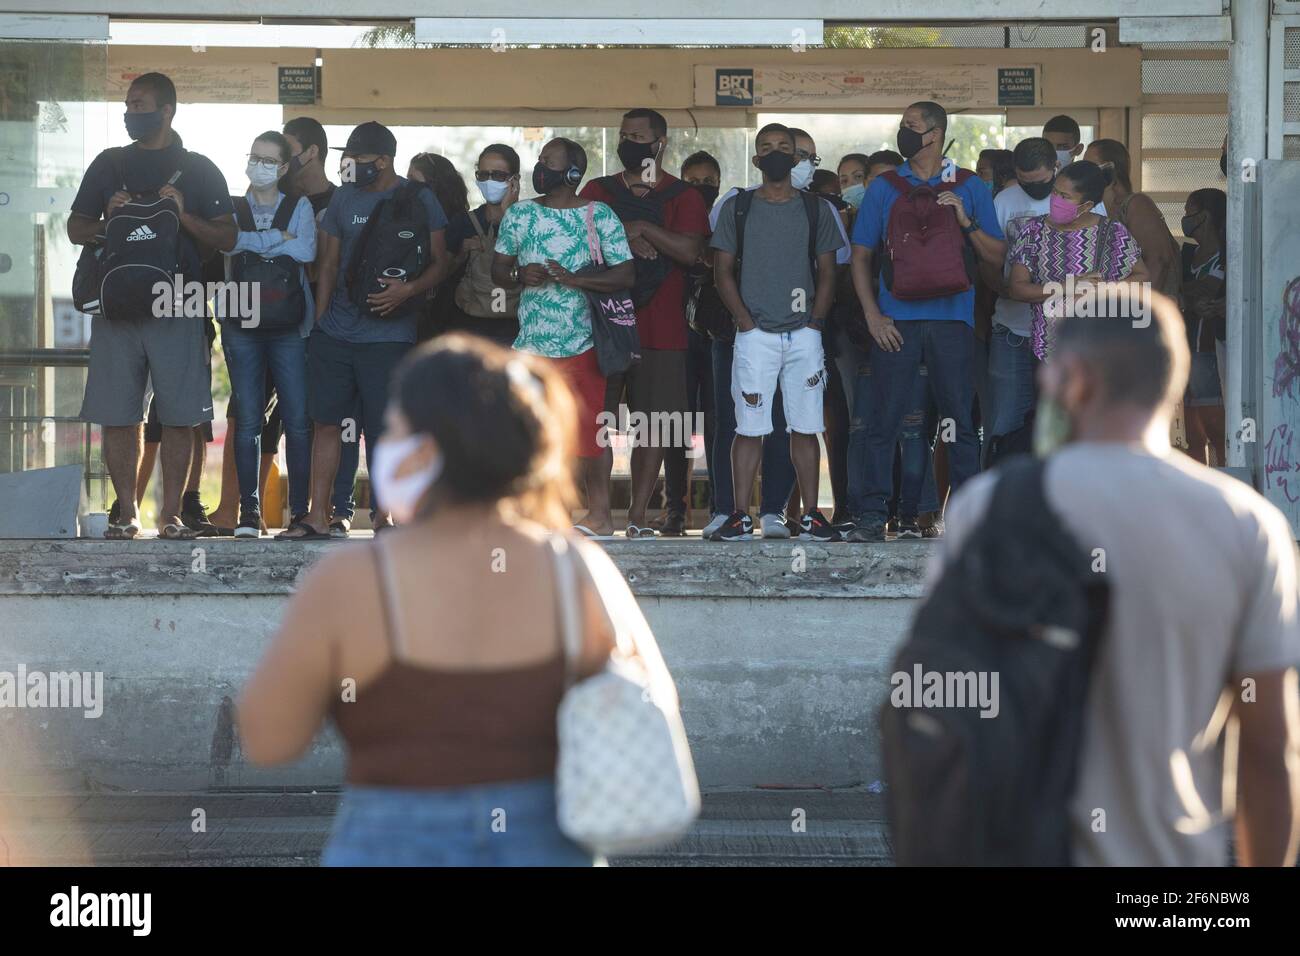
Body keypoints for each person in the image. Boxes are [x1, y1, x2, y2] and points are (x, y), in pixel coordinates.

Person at [240, 336, 683, 866]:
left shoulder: (351, 579)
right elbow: (651, 705)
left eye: (396, 429)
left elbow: (269, 741)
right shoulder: (576, 567)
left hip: (388, 842)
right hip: (549, 843)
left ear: (427, 449)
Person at [931, 287, 1300, 867]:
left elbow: (944, 718)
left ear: (1072, 380)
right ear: (1174, 381)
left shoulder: (986, 509)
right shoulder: (1246, 525)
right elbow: (1269, 752)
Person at [69, 72, 236, 539]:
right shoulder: (108, 164)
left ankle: (173, 515)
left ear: (167, 110)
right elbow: (75, 229)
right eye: (126, 104)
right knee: (118, 414)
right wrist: (107, 220)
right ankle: (126, 512)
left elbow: (227, 236)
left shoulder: (200, 169)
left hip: (178, 305)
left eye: (139, 104)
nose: (129, 113)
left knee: (181, 414)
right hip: (115, 309)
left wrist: (184, 215)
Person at [278, 121, 451, 540]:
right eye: (348, 157)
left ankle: (385, 516)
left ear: (384, 161)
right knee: (326, 423)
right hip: (335, 334)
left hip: (390, 337)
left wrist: (407, 290)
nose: (350, 165)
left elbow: (442, 262)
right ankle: (318, 515)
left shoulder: (420, 199)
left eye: (358, 158)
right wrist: (320, 325)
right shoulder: (342, 198)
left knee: (384, 429)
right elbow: (329, 266)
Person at [847, 101, 1006, 543]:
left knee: (957, 420)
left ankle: (968, 521)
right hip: (894, 321)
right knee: (885, 418)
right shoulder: (883, 188)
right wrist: (872, 314)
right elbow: (860, 256)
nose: (903, 132)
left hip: (953, 320)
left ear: (934, 134)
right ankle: (872, 516)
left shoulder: (970, 186)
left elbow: (998, 256)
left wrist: (966, 220)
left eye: (910, 127)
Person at [707, 126, 851, 539]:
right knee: (749, 427)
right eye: (766, 149)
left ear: (796, 158)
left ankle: (810, 515)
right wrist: (745, 323)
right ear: (755, 160)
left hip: (804, 335)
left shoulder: (815, 209)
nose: (775, 155)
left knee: (805, 426)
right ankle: (738, 515)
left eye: (784, 149)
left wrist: (815, 324)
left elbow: (828, 272)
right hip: (756, 336)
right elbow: (722, 271)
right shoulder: (739, 207)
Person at [491, 137, 634, 539]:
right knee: (529, 433)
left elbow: (626, 274)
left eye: (549, 162)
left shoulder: (599, 215)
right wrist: (521, 275)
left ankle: (601, 516)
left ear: (573, 172)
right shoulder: (519, 215)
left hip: (586, 342)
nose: (541, 168)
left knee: (590, 434)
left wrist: (575, 280)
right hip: (532, 344)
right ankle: (539, 513)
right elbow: (498, 271)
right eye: (540, 161)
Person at [578, 109, 708, 538]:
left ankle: (636, 516)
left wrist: (642, 229)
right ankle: (598, 514)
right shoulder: (598, 189)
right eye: (623, 135)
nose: (628, 142)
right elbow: (584, 241)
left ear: (660, 143)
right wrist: (629, 232)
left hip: (663, 327)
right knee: (597, 420)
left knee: (654, 424)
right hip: (603, 324)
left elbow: (689, 252)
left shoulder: (684, 195)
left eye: (637, 135)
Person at [218, 130, 317, 538]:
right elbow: (226, 244)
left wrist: (252, 245)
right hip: (239, 323)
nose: (257, 165)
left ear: (282, 167)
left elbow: (307, 251)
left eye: (267, 160)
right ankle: (248, 512)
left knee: (297, 420)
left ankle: (300, 512)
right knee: (247, 421)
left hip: (289, 324)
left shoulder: (300, 205)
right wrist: (279, 238)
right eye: (253, 156)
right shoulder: (230, 207)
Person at [281, 116, 357, 538]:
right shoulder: (274, 199)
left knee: (337, 420)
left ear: (311, 152)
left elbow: (335, 261)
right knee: (294, 419)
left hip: (330, 322)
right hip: (279, 322)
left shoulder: (342, 199)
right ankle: (300, 511)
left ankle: (337, 510)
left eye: (288, 146)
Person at [1007, 161, 1148, 362]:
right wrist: (1068, 286)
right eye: (1055, 192)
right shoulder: (1033, 231)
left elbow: (1142, 276)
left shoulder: (1113, 233)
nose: (1056, 199)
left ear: (1087, 205)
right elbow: (1017, 289)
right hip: (1049, 351)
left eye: (1065, 197)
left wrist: (1105, 290)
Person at [657, 150, 721, 536]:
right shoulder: (671, 215)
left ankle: (720, 508)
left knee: (717, 424)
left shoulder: (730, 214)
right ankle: (675, 512)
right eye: (692, 181)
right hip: (676, 331)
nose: (701, 187)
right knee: (674, 425)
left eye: (708, 181)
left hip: (717, 335)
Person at [441, 144, 522, 349]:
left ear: (515, 179)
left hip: (517, 329)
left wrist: (508, 214)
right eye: (483, 174)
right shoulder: (463, 221)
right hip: (469, 328)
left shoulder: (529, 219)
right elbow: (441, 273)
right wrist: (461, 254)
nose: (489, 181)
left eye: (498, 176)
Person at [1083, 138, 1181, 303]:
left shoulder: (1136, 204)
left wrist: (1140, 310)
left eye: (1090, 165)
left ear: (1109, 168)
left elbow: (1159, 260)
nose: (1084, 172)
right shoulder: (1102, 209)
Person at [1180, 187, 1228, 466]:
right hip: (1184, 349)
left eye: (1189, 213)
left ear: (1206, 216)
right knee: (1192, 435)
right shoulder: (1186, 254)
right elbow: (1177, 289)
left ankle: (1224, 476)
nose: (1185, 219)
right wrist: (1187, 293)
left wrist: (1184, 292)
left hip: (1211, 349)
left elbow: (1209, 290)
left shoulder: (1228, 254)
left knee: (1216, 427)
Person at [407, 152, 471, 343]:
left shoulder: (459, 222)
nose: (408, 187)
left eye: (413, 180)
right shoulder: (412, 218)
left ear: (434, 184)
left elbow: (443, 269)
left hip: (451, 313)